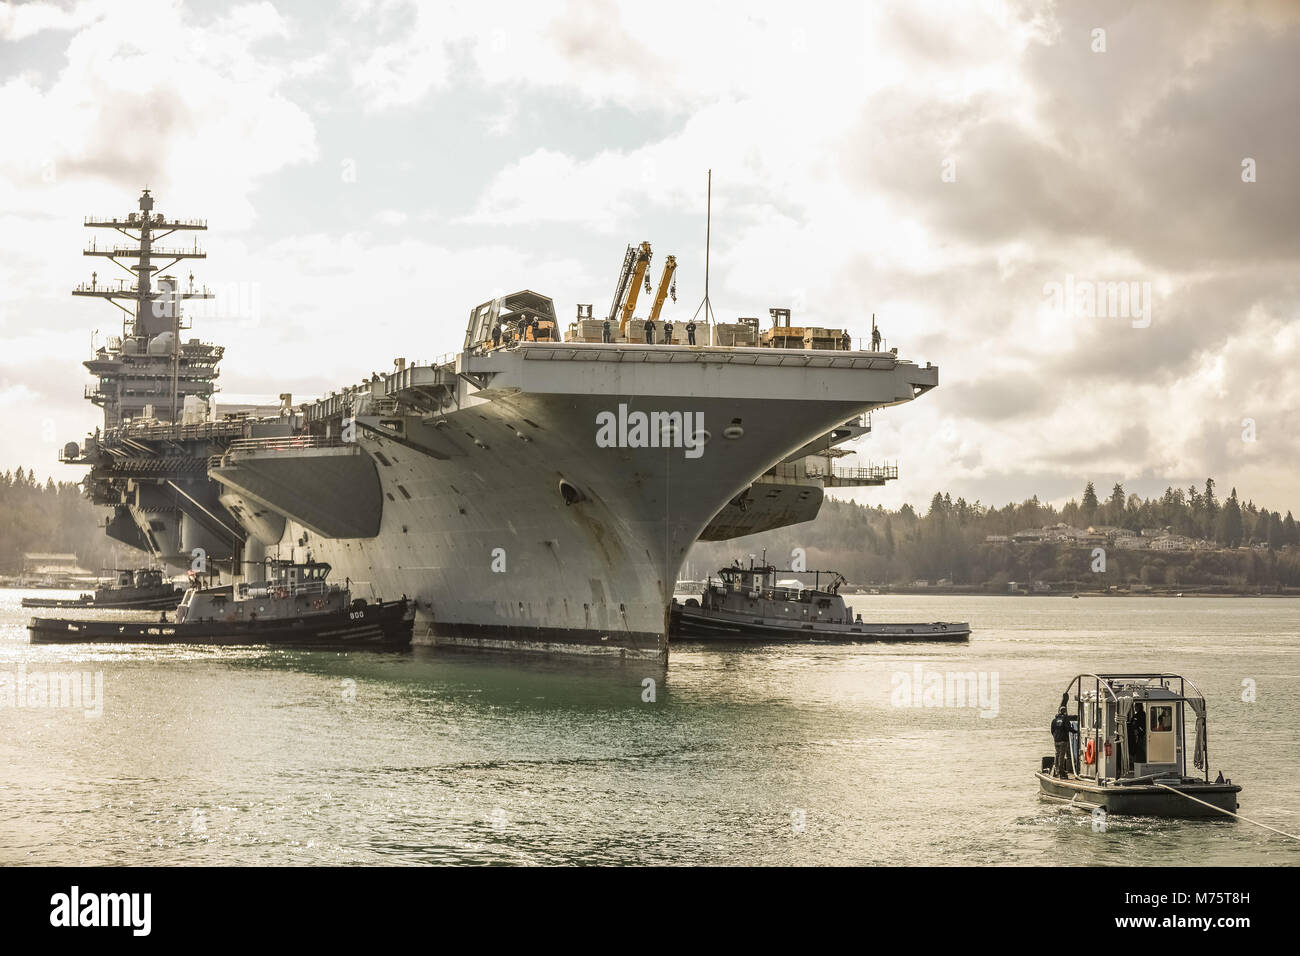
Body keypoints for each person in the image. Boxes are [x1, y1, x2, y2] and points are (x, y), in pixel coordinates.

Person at [1050, 698, 1078, 778]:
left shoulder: (1054, 720)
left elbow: (1052, 730)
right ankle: (1061, 771)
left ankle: (1056, 769)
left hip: (1056, 740)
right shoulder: (1065, 719)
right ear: (1065, 712)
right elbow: (1068, 728)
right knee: (1062, 756)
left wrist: (1056, 737)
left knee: (1057, 755)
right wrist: (1075, 732)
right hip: (1063, 741)